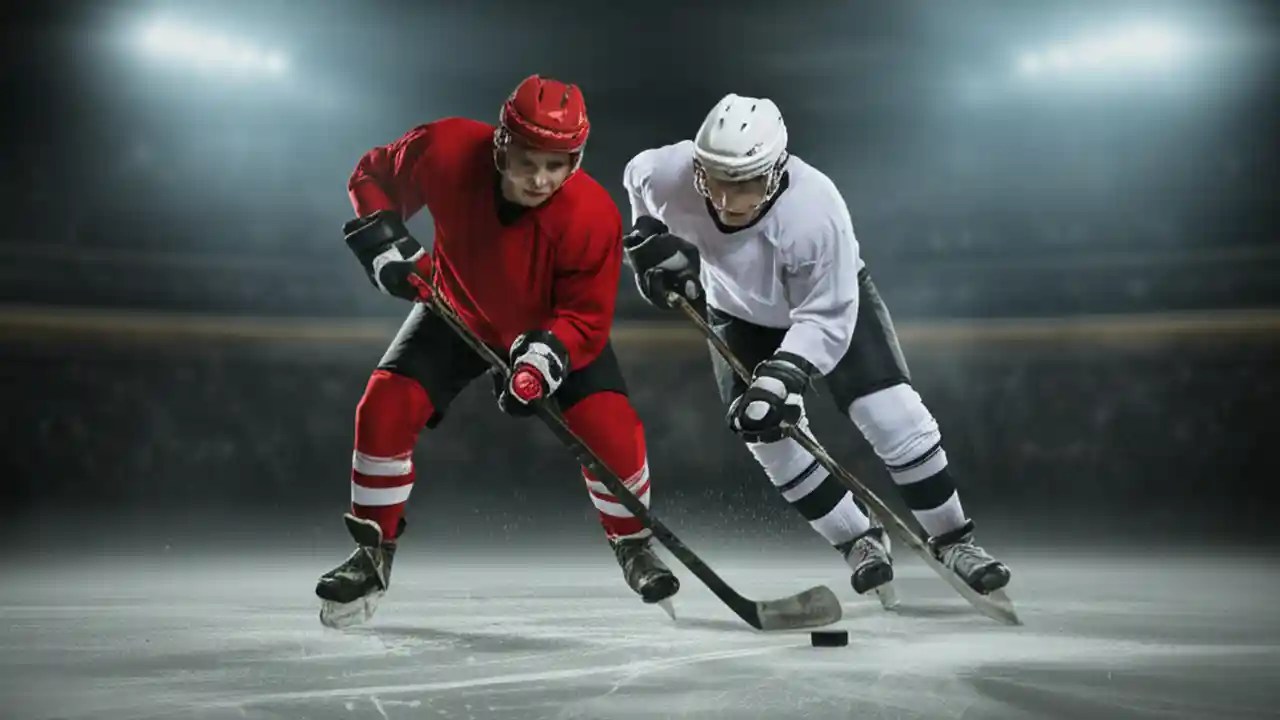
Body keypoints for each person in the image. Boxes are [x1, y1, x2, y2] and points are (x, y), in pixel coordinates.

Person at [315, 75, 679, 627]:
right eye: (529, 161)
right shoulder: (443, 149)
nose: (540, 179)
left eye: (556, 165)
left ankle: (634, 543)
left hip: (551, 332)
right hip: (454, 308)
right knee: (383, 407)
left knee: (612, 429)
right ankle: (371, 552)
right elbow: (372, 176)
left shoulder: (593, 215)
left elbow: (585, 318)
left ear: (576, 160)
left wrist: (540, 362)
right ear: (502, 144)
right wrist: (381, 236)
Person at [621, 93, 1010, 597]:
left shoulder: (815, 210)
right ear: (698, 167)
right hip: (737, 311)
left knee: (892, 414)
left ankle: (954, 539)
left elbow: (825, 316)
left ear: (774, 171)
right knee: (767, 436)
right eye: (715, 180)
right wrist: (647, 236)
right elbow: (637, 177)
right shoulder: (666, 174)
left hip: (829, 304)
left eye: (743, 184)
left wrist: (783, 375)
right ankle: (857, 539)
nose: (725, 201)